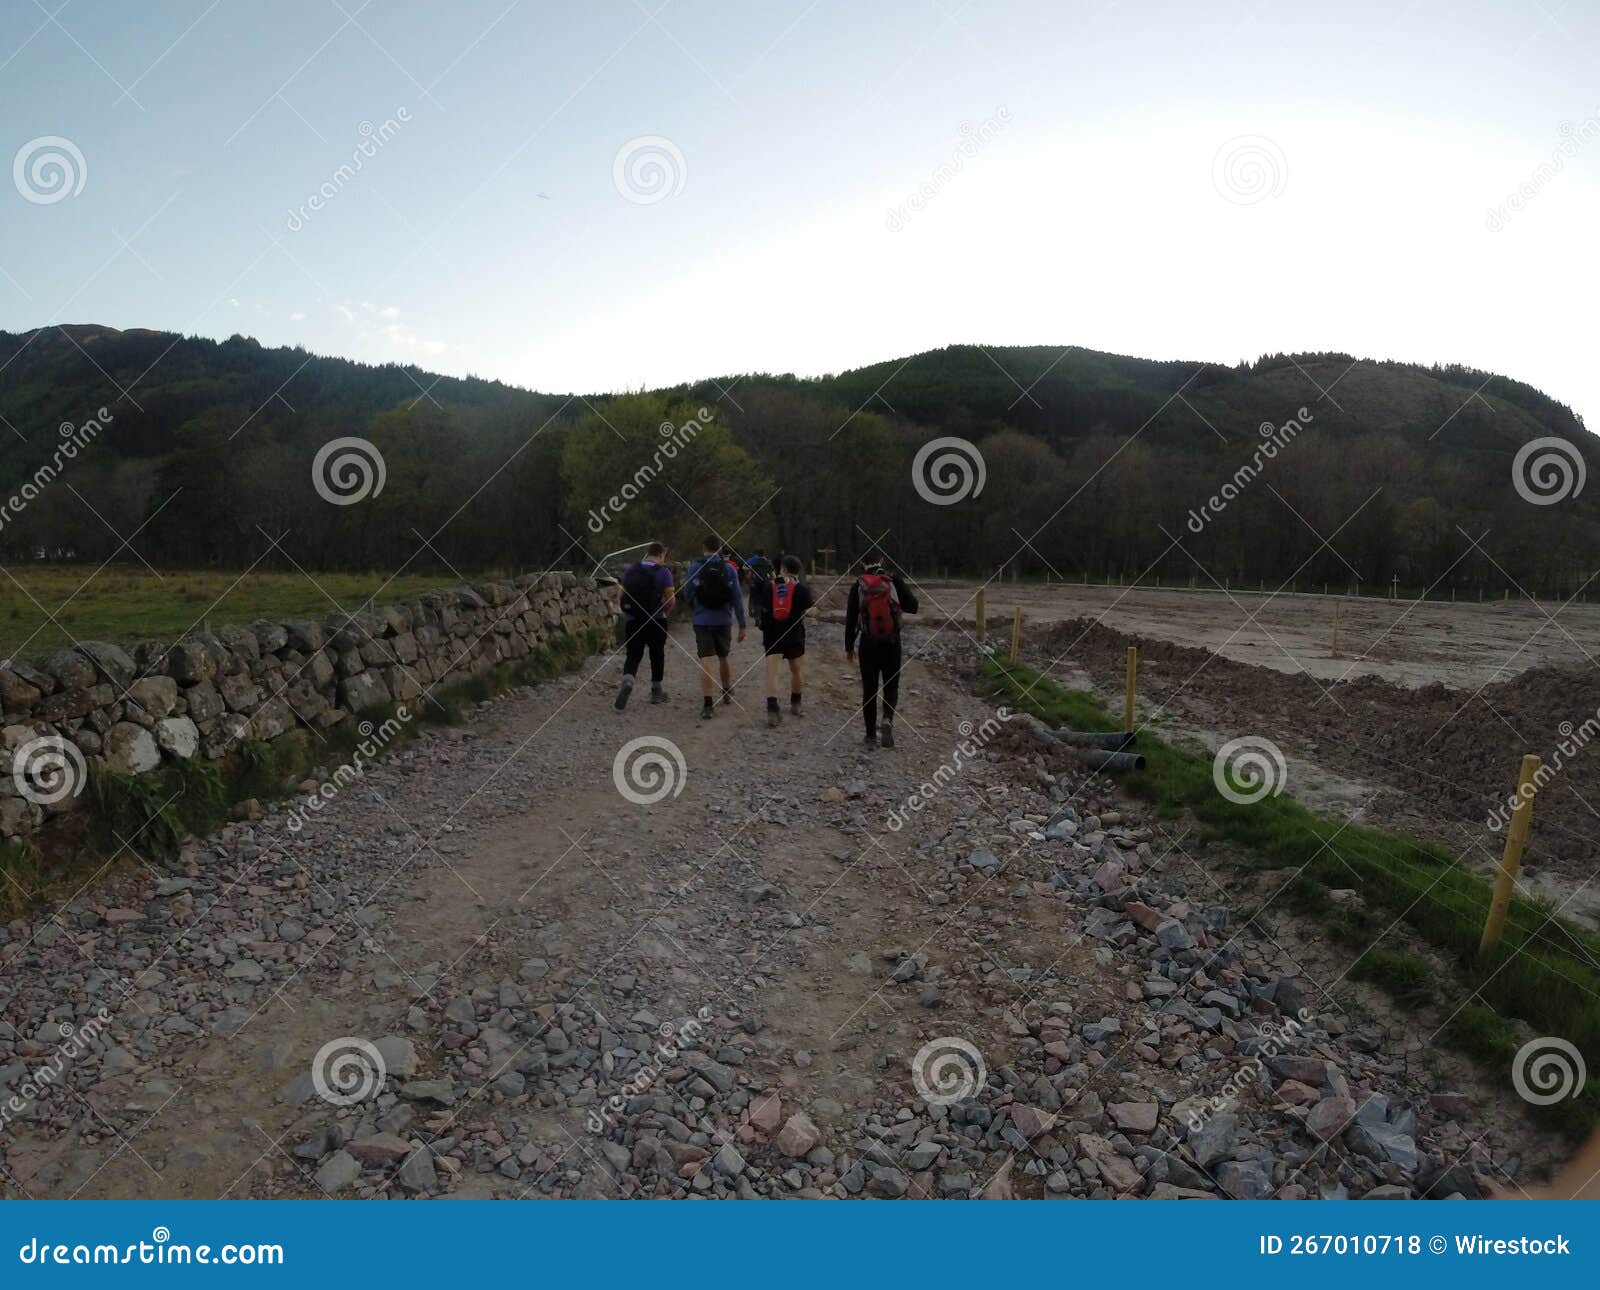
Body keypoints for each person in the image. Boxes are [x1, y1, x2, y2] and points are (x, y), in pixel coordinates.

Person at [844, 552, 918, 748]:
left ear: (861, 563)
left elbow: (851, 619)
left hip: (868, 644)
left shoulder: (858, 586)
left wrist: (849, 646)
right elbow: (914, 607)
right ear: (882, 561)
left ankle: (870, 736)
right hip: (892, 642)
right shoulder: (893, 580)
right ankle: (887, 720)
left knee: (869, 689)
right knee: (891, 685)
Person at [684, 535, 747, 718]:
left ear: (704, 547)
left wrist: (694, 608)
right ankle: (727, 691)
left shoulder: (695, 567)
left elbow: (687, 592)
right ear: (719, 549)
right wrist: (742, 625)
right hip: (723, 620)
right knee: (723, 656)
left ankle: (708, 704)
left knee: (705, 660)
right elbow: (737, 598)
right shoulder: (729, 569)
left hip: (702, 620)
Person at [614, 541, 675, 710]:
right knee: (657, 654)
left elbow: (620, 595)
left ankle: (628, 681)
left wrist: (630, 614)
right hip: (656, 620)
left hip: (634, 620)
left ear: (648, 553)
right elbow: (671, 600)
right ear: (661, 554)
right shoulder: (664, 572)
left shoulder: (631, 569)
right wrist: (665, 614)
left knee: (633, 655)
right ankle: (656, 691)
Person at [754, 555, 813, 727]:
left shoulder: (769, 587)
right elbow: (809, 610)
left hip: (773, 634)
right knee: (796, 669)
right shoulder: (802, 589)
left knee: (773, 672)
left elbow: (763, 608)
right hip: (794, 634)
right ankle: (796, 703)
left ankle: (772, 710)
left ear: (783, 569)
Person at [745, 547, 775, 617]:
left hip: (755, 584)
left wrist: (750, 582)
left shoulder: (753, 564)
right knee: (765, 600)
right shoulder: (768, 563)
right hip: (765, 584)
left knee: (756, 600)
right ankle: (763, 615)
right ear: (763, 554)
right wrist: (770, 580)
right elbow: (773, 576)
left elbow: (748, 576)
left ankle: (757, 616)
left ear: (757, 554)